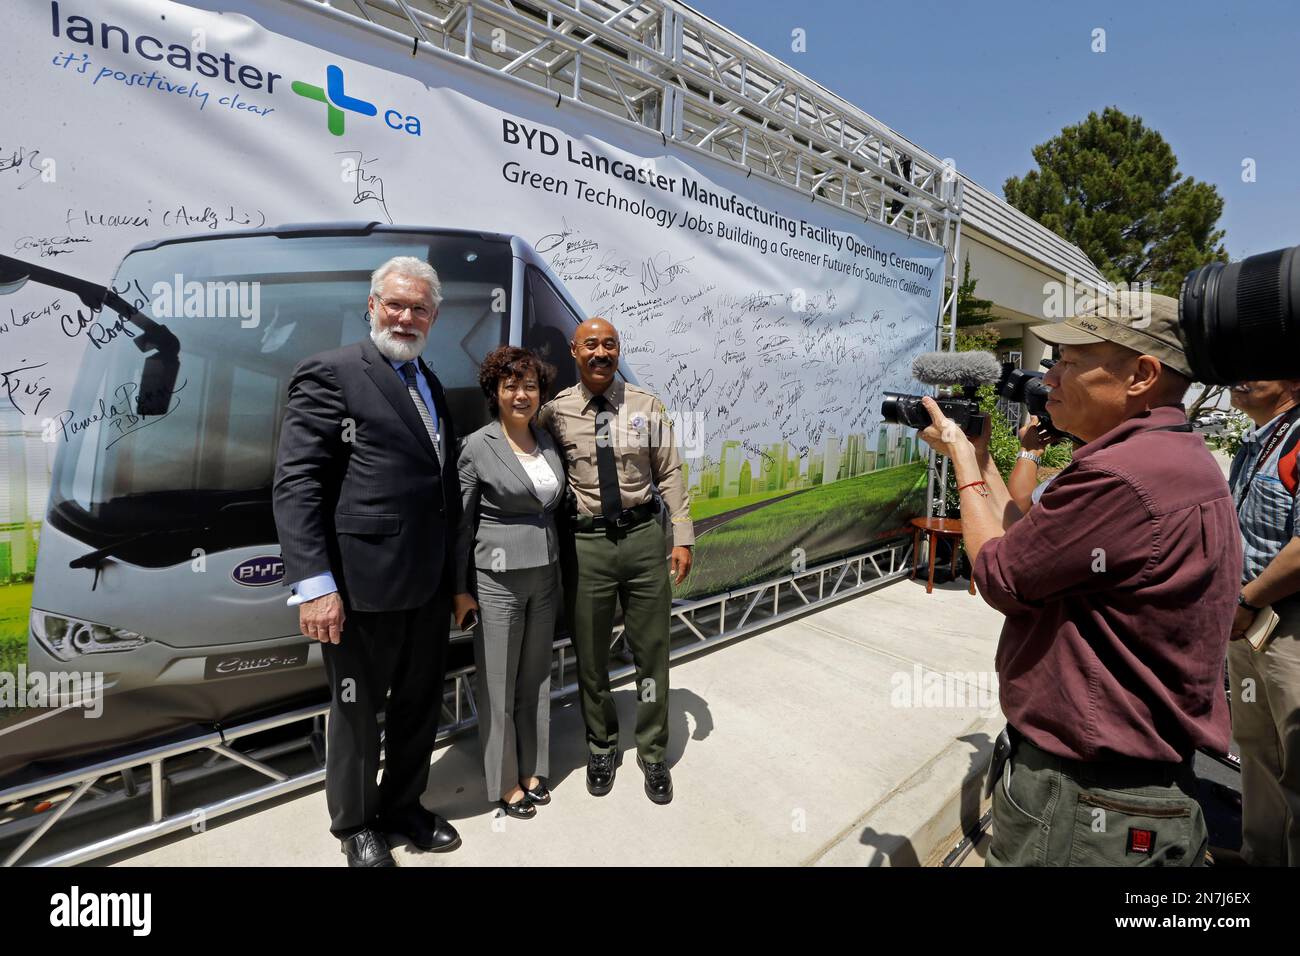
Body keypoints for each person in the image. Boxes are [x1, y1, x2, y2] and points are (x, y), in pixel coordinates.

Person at [919, 290, 1239, 866]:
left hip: (1088, 798)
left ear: (1141, 375)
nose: (1051, 378)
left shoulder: (1122, 478)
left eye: (1068, 361)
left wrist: (963, 466)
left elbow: (999, 574)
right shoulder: (1168, 460)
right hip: (1121, 786)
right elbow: (1024, 542)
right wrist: (985, 460)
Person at [273, 256, 462, 867]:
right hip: (359, 589)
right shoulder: (332, 373)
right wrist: (315, 584)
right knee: (356, 713)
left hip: (427, 586)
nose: (406, 317)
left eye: (420, 308)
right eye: (396, 304)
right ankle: (355, 825)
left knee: (417, 706)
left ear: (434, 316)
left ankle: (404, 806)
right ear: (372, 305)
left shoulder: (430, 381)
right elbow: (297, 483)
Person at [537, 317, 694, 804]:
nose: (601, 353)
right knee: (591, 656)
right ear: (575, 352)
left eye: (609, 344)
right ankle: (601, 745)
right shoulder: (554, 414)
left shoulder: (645, 406)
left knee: (651, 651)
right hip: (588, 546)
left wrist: (682, 538)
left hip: (644, 539)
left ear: (618, 349)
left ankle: (652, 751)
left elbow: (669, 472)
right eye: (591, 345)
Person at [453, 346, 566, 820]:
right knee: (498, 682)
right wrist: (459, 590)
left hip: (545, 573)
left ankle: (533, 768)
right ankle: (503, 784)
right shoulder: (477, 445)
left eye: (530, 386)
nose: (521, 395)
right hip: (496, 579)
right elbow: (460, 523)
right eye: (511, 386)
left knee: (537, 676)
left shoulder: (547, 440)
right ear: (495, 392)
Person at [1225, 378, 1300, 866]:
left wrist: (1247, 599)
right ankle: (1260, 858)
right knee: (1257, 751)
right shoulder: (1257, 441)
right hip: (1248, 621)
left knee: (1297, 763)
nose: (1240, 372)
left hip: (1284, 625)